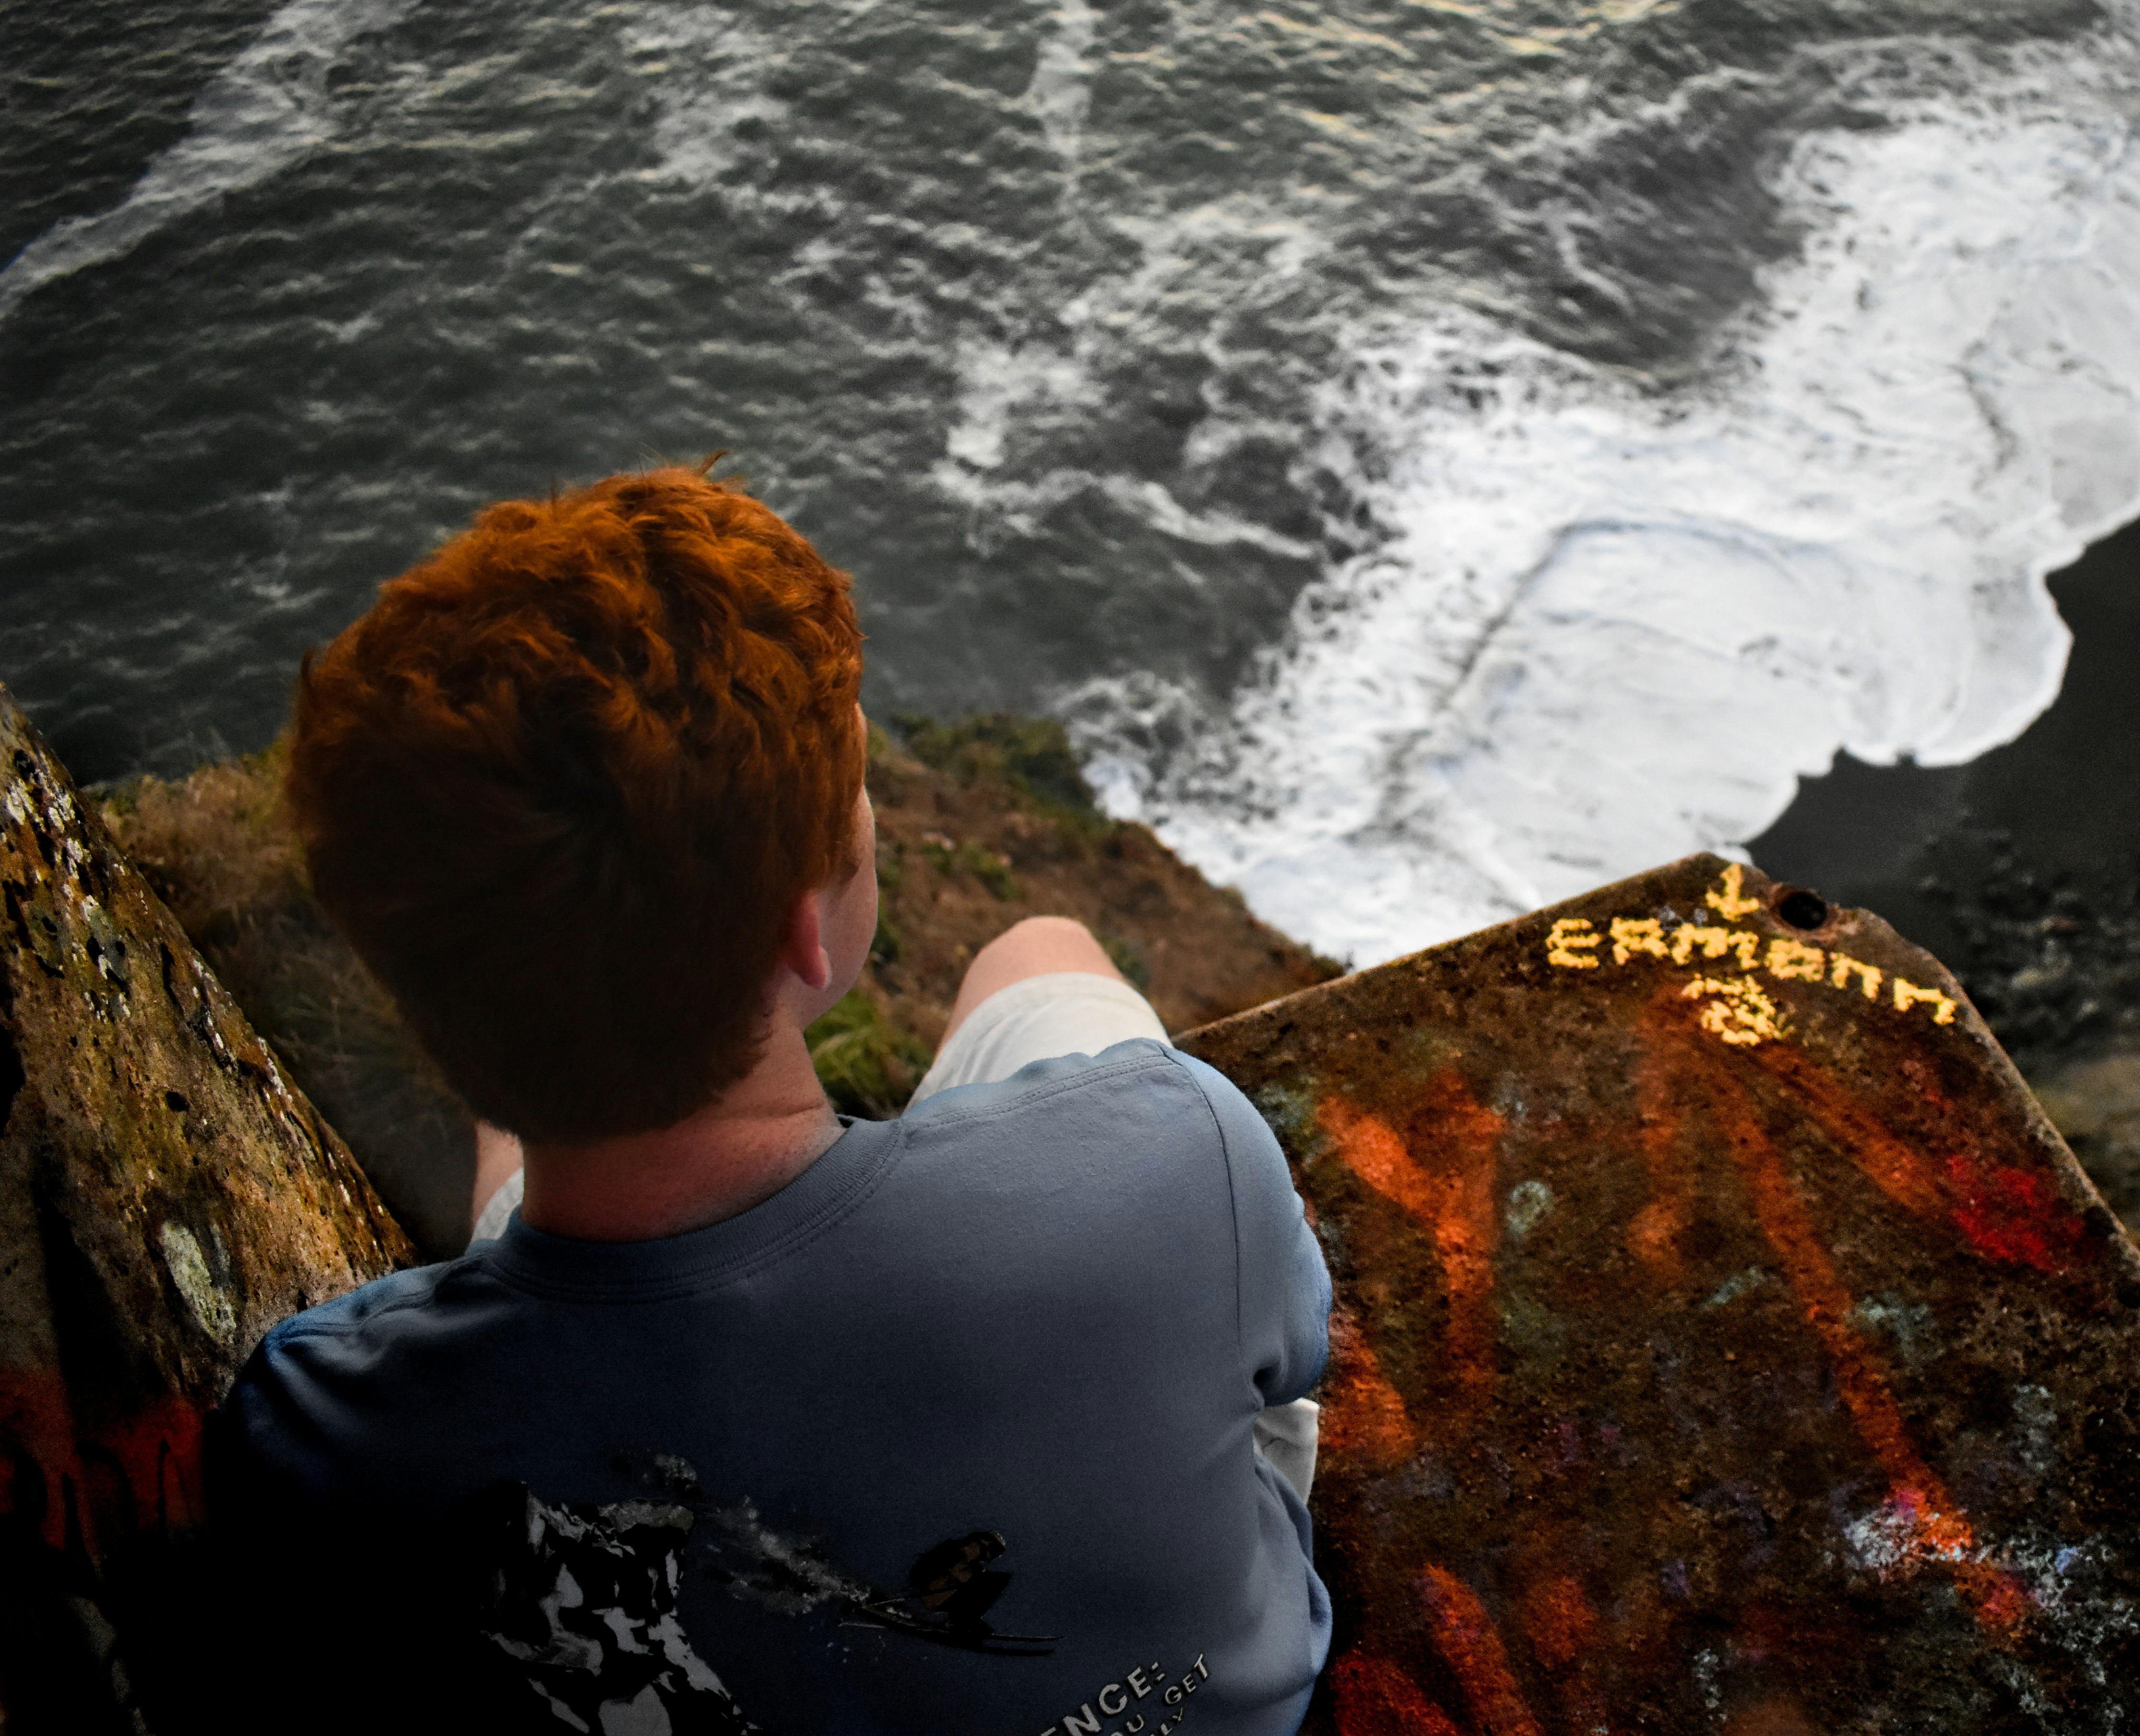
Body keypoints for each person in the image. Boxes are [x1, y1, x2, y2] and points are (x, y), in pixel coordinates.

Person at [207, 462, 1332, 1734]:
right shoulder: (1175, 1154)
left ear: (418, 1003)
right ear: (808, 930)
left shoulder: (322, 1429)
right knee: (1040, 956)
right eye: (853, 793)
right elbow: (1289, 1354)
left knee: (523, 1192)